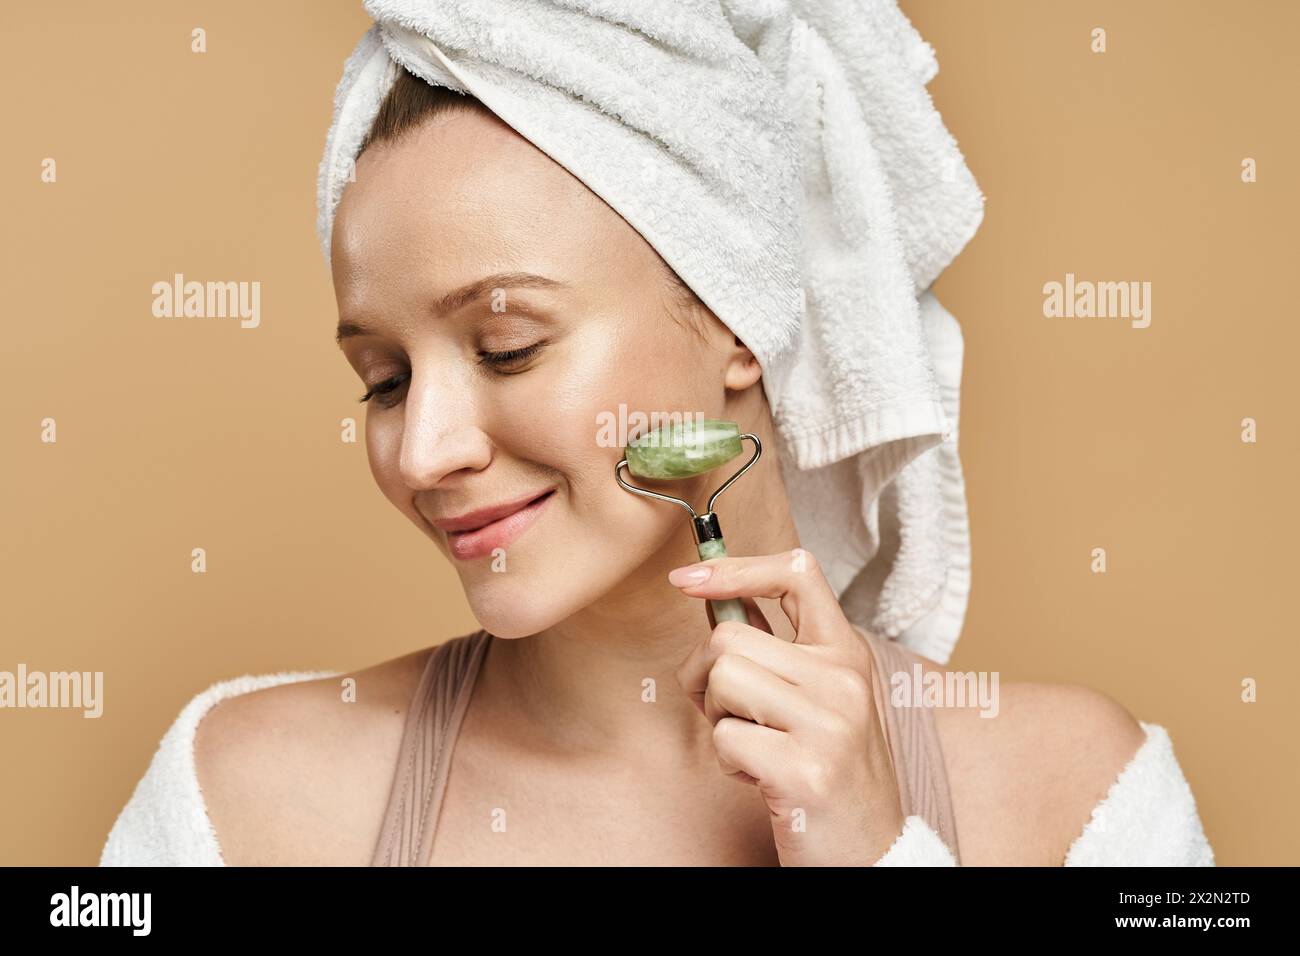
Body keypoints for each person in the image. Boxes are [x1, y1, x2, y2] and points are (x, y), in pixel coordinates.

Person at [100, 68, 1214, 866]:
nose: (426, 449)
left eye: (507, 345)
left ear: (738, 317)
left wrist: (876, 856)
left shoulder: (1076, 795)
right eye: (384, 378)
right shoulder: (245, 798)